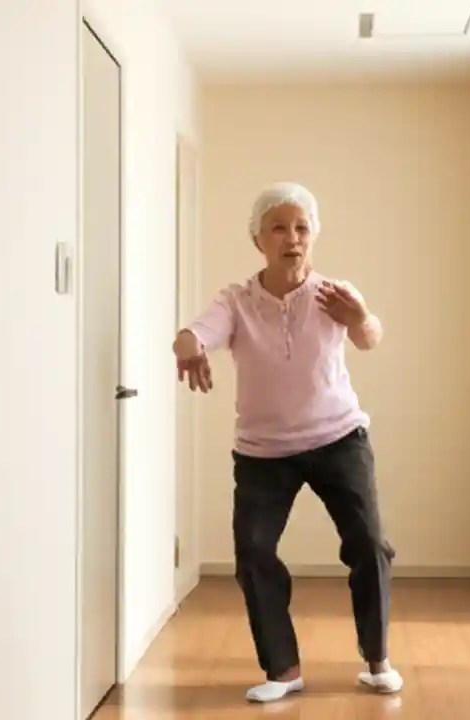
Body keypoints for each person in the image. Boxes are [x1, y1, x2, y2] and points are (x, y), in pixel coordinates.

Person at [172, 182, 403, 703]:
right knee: (253, 553)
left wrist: (359, 317)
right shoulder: (235, 300)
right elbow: (193, 334)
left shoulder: (334, 294)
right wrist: (187, 348)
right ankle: (284, 671)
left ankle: (377, 660)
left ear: (313, 235)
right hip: (262, 452)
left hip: (338, 437)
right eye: (279, 227)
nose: (292, 238)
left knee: (369, 545)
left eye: (301, 227)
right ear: (258, 240)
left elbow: (370, 337)